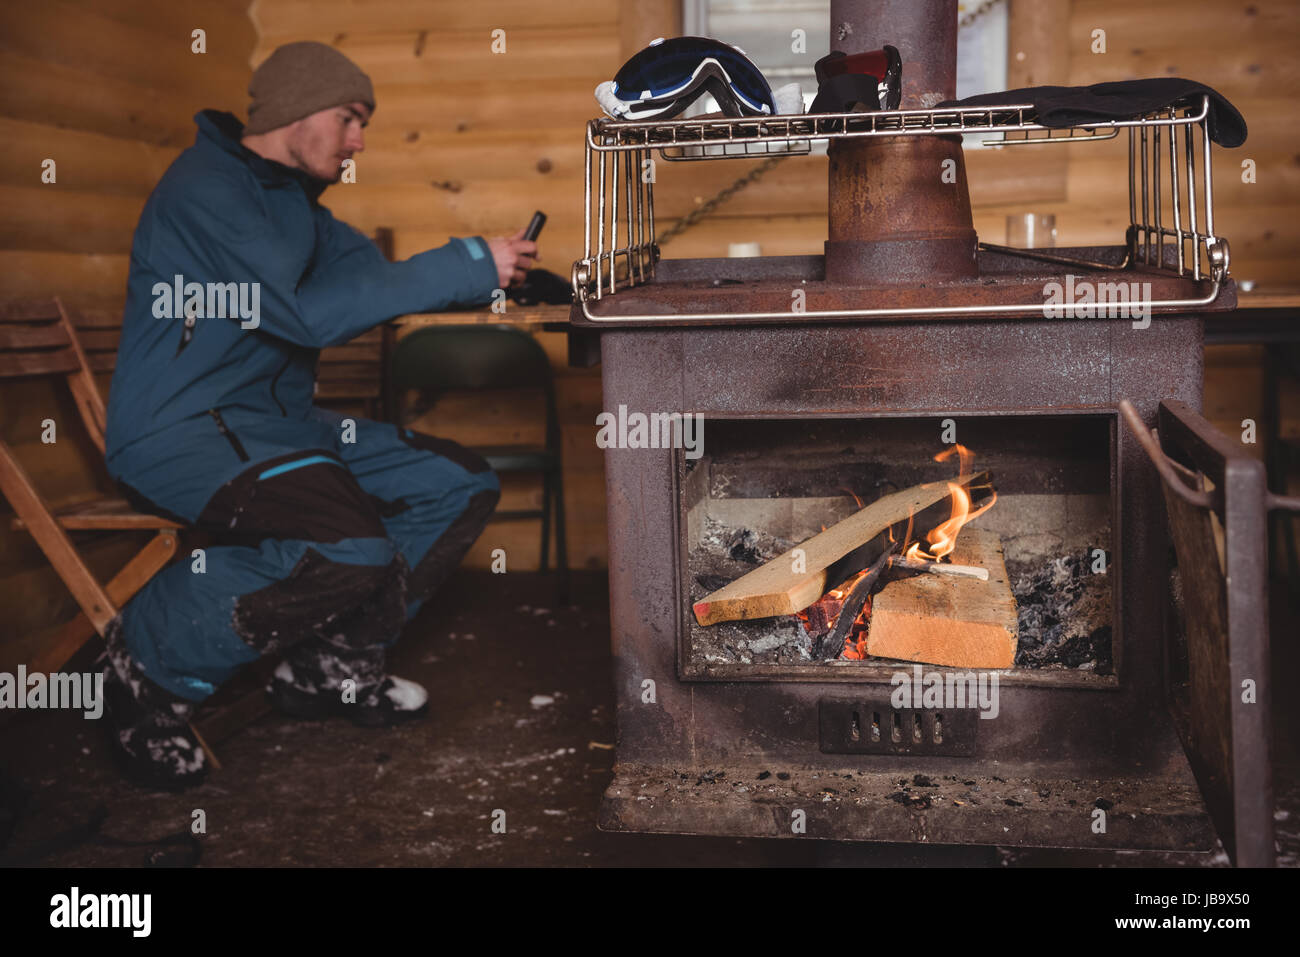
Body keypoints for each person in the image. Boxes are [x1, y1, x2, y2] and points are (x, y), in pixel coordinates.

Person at [98, 42, 538, 790]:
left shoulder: (293, 200)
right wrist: (464, 262)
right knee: (351, 543)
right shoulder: (206, 190)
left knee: (459, 482)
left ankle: (328, 666)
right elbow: (304, 314)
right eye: (350, 119)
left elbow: (365, 275)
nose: (359, 140)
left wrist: (497, 279)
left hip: (273, 427)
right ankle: (143, 667)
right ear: (298, 111)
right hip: (179, 431)